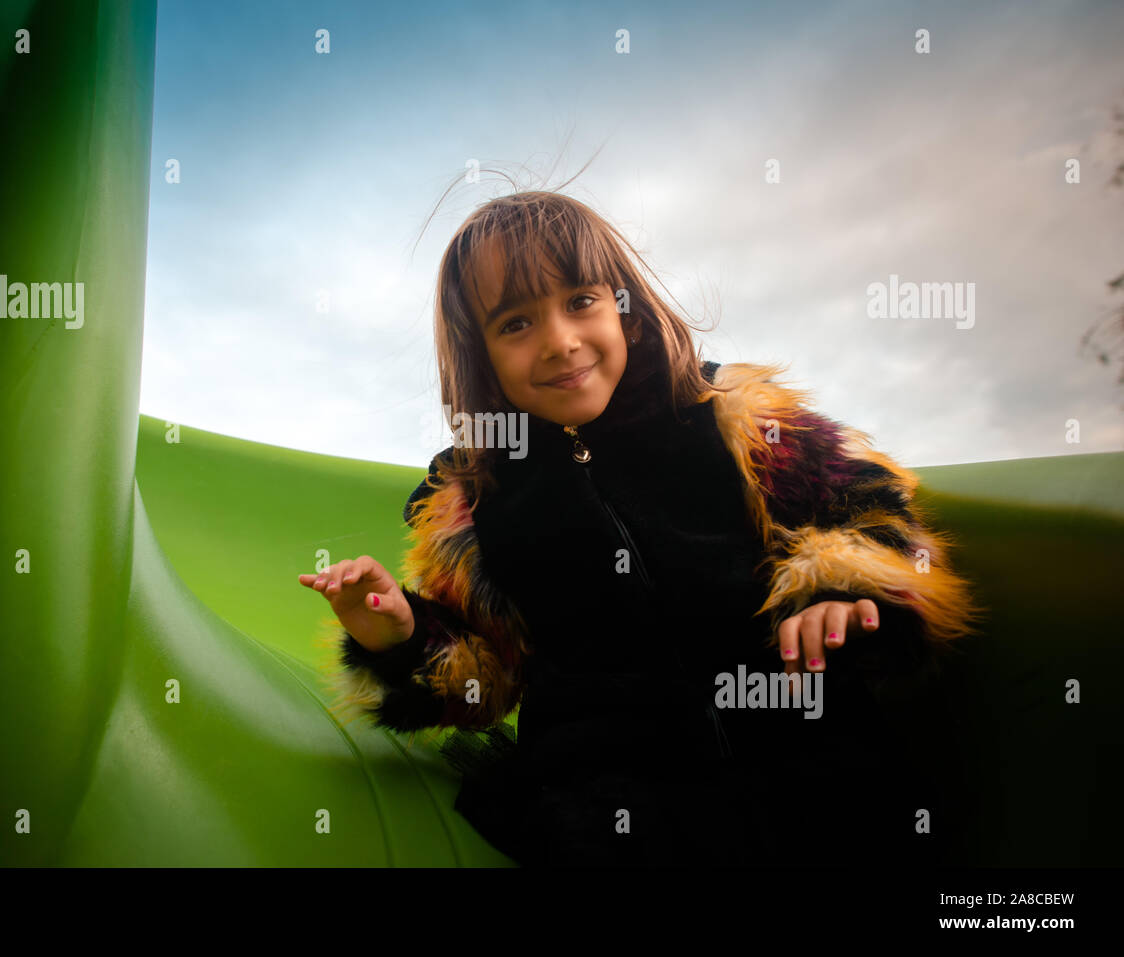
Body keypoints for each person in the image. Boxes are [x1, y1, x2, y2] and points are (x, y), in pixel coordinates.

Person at [299, 190, 982, 868]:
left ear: (624, 306)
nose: (560, 342)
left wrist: (841, 591)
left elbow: (868, 502)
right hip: (606, 813)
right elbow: (488, 673)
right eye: (515, 324)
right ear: (481, 357)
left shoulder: (731, 419)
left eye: (581, 302)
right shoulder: (479, 500)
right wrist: (399, 635)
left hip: (814, 777)